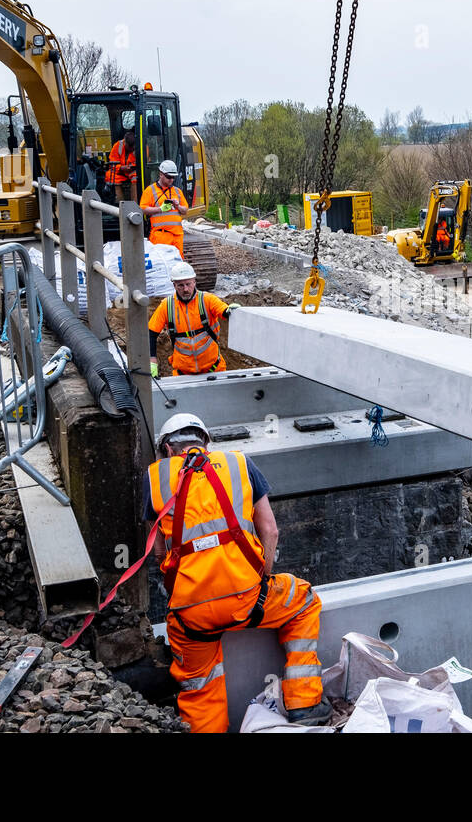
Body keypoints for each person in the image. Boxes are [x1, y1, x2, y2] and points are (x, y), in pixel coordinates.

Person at [143, 413, 329, 732]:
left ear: (167, 451)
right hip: (247, 599)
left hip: (191, 615)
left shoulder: (156, 479)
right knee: (304, 601)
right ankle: (305, 702)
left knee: (200, 686)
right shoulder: (237, 463)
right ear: (205, 442)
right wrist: (262, 578)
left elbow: (160, 552)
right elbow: (270, 531)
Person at [147, 261, 237, 377]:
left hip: (214, 370)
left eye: (188, 284)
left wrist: (230, 311)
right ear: (174, 285)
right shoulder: (167, 306)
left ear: (194, 282)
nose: (185, 289)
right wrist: (152, 360)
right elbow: (151, 333)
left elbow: (223, 311)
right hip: (183, 374)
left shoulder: (207, 300)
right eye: (180, 285)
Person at [140, 159, 190, 255]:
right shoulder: (150, 190)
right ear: (161, 174)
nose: (171, 179)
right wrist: (160, 209)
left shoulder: (177, 191)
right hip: (160, 235)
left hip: (177, 236)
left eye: (173, 177)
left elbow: (185, 210)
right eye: (169, 177)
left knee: (178, 263)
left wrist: (177, 206)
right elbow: (143, 209)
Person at [106, 129, 141, 202]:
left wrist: (132, 167)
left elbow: (144, 161)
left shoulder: (140, 147)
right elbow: (112, 164)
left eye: (133, 147)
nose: (131, 149)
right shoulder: (117, 146)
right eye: (129, 146)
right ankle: (120, 205)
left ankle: (134, 205)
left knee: (136, 177)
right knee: (111, 176)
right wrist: (121, 168)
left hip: (133, 171)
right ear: (125, 142)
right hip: (120, 172)